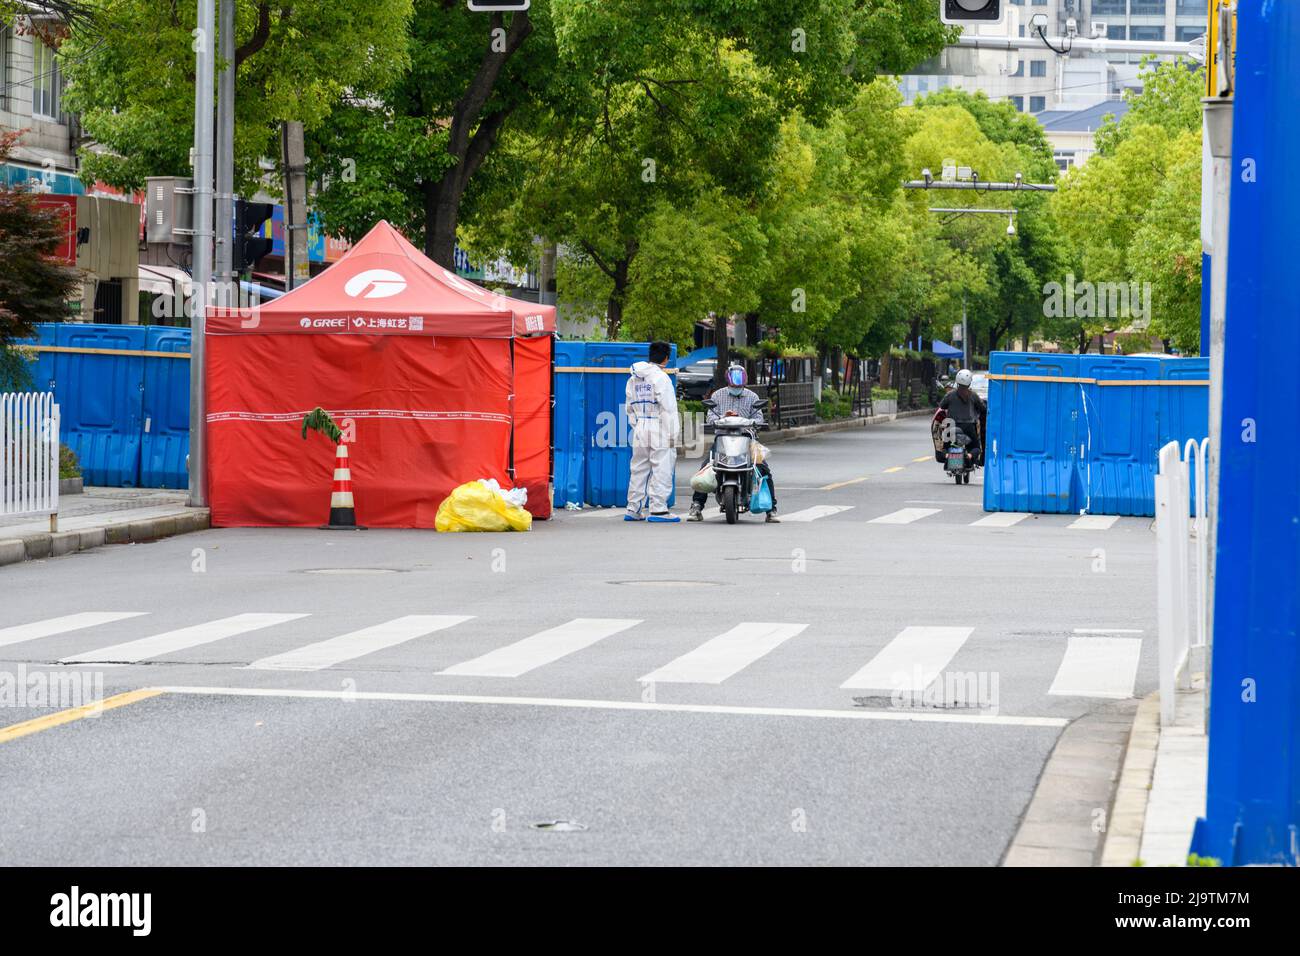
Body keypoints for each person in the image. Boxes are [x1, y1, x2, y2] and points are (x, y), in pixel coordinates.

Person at [689, 365, 780, 523]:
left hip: (747, 439)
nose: (736, 388)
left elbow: (759, 418)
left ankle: (771, 510)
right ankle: (696, 506)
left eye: (739, 386)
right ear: (728, 382)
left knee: (763, 469)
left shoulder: (752, 397)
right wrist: (724, 416)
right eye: (733, 386)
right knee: (706, 467)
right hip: (723, 439)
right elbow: (710, 417)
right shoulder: (718, 395)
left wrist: (752, 422)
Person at [624, 341, 681, 522]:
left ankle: (633, 509)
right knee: (662, 467)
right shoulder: (661, 378)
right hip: (659, 426)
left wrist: (638, 426)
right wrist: (673, 435)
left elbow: (629, 408)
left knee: (638, 467)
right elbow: (669, 409)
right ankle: (658, 510)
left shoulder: (634, 378)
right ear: (666, 358)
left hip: (641, 425)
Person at [935, 368, 986, 465]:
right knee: (976, 448)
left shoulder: (950, 394)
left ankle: (947, 456)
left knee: (945, 447)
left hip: (951, 426)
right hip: (969, 427)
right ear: (969, 383)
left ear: (957, 381)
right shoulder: (973, 395)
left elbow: (942, 406)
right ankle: (969, 456)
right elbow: (982, 408)